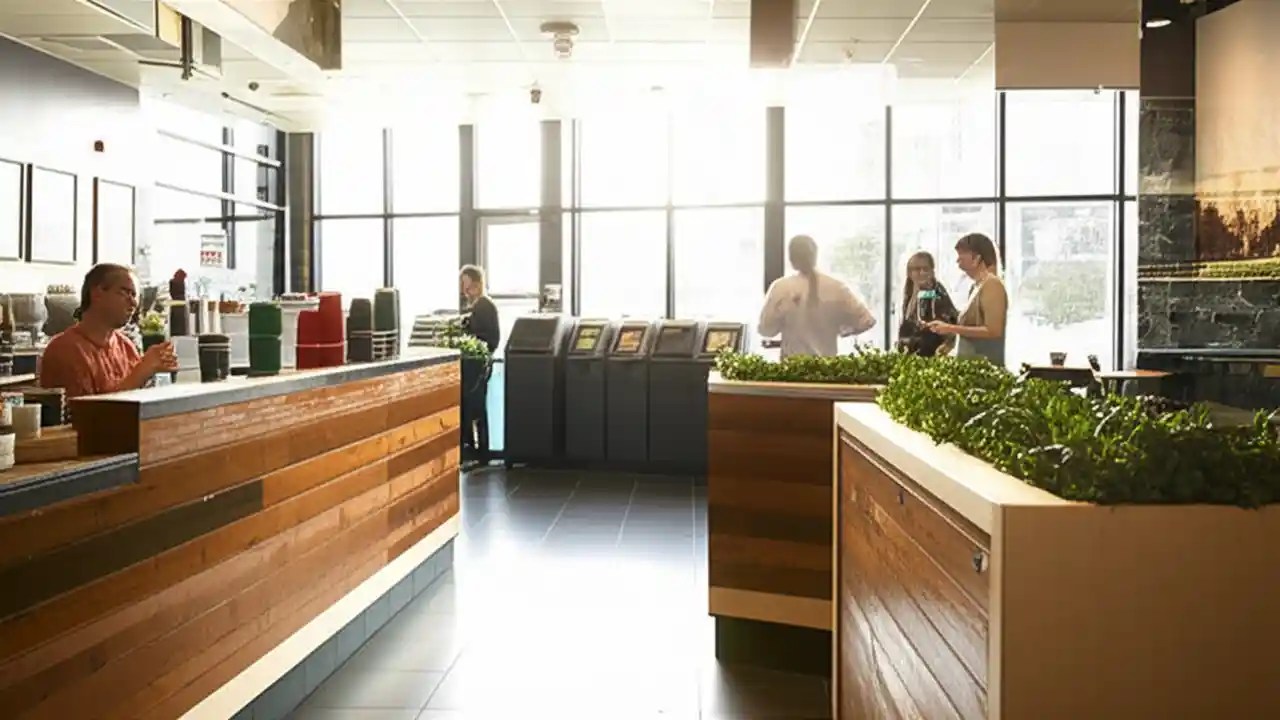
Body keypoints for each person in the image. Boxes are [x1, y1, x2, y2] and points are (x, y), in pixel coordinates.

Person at [39, 264, 177, 399]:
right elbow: (87, 411)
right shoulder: (64, 349)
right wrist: (143, 370)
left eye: (134, 295)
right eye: (125, 292)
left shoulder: (127, 347)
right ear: (97, 293)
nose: (133, 303)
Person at [758, 235, 876, 358]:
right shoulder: (836, 287)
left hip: (793, 366)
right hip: (826, 365)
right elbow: (867, 321)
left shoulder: (781, 288)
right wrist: (841, 330)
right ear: (815, 255)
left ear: (791, 258)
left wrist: (782, 317)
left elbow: (765, 330)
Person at [925, 233, 1008, 366]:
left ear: (977, 257)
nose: (958, 261)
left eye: (961, 255)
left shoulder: (992, 285)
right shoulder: (976, 286)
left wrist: (951, 328)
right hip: (970, 365)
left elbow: (993, 330)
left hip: (985, 368)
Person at [459, 265, 500, 466]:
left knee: (473, 407)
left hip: (477, 367)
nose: (464, 289)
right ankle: (478, 451)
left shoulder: (484, 306)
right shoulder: (479, 306)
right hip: (478, 364)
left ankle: (477, 451)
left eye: (466, 284)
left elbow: (489, 338)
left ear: (476, 284)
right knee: (475, 408)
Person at [896, 251, 959, 357]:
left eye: (925, 269)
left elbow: (948, 323)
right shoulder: (910, 290)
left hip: (932, 348)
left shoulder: (935, 291)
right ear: (909, 272)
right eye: (917, 269)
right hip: (911, 348)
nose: (922, 273)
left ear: (932, 271)